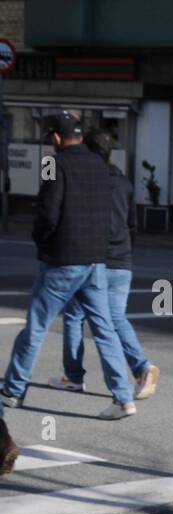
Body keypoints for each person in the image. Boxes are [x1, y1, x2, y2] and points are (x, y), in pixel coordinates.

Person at [0, 111, 137, 420]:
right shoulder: (101, 166)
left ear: (57, 139)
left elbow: (47, 212)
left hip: (62, 260)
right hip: (96, 261)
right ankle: (123, 397)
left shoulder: (52, 164)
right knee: (104, 329)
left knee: (36, 326)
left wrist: (41, 240)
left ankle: (13, 390)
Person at [53, 129, 161, 401]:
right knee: (115, 318)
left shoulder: (88, 179)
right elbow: (132, 224)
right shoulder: (124, 182)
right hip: (122, 260)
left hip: (92, 259)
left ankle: (74, 377)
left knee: (75, 316)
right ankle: (141, 367)